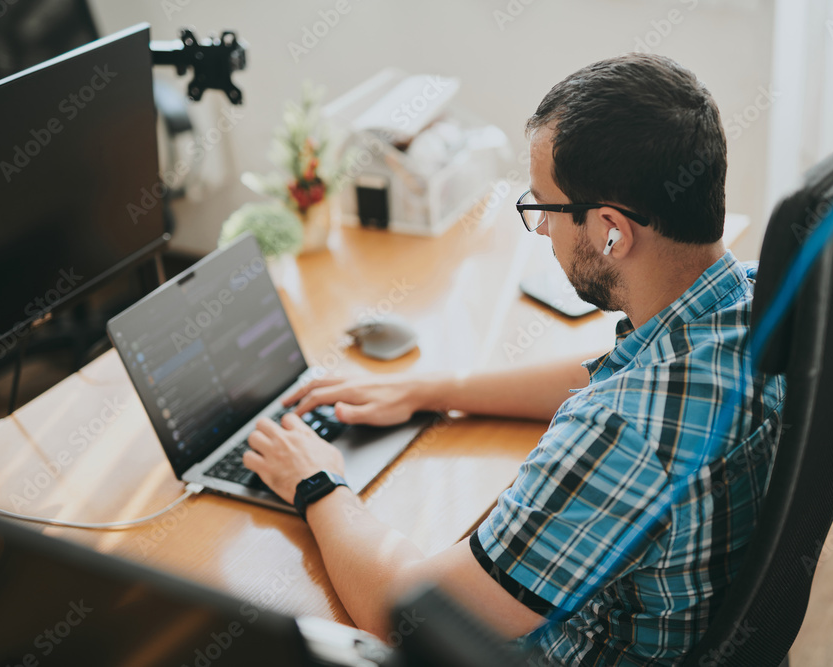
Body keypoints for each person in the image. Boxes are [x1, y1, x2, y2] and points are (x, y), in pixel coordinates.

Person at [242, 53, 786, 666]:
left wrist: (317, 483)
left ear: (611, 230)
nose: (543, 233)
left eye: (544, 212)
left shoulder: (620, 432)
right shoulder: (757, 298)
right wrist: (436, 389)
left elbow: (410, 614)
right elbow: (623, 373)